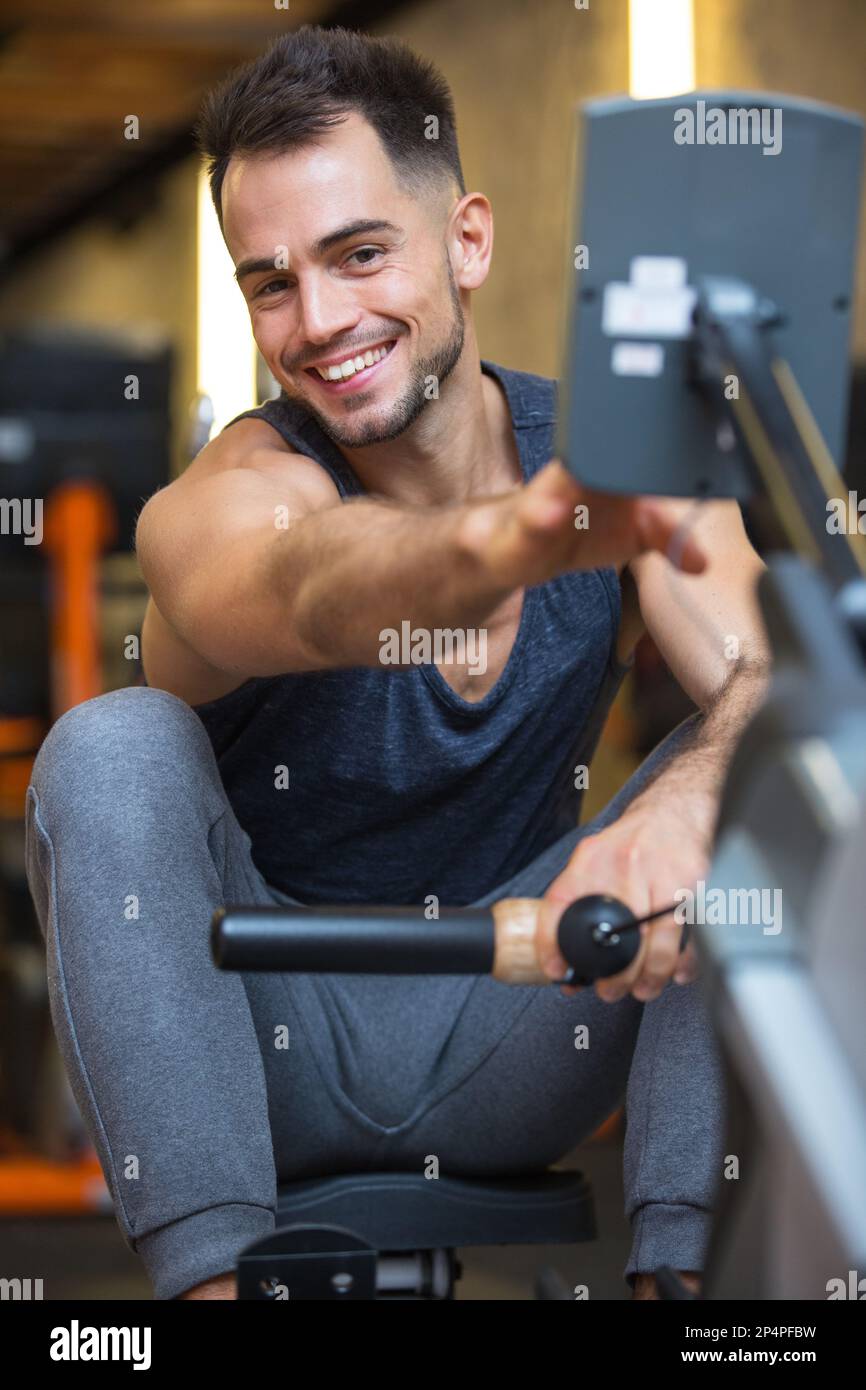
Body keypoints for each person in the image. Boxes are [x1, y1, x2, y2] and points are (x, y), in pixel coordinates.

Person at [25, 26, 770, 1301]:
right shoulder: (225, 497)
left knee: (770, 776)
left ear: (465, 240)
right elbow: (310, 590)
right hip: (255, 1049)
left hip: (518, 1019)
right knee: (109, 741)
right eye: (270, 283)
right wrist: (497, 542)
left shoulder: (620, 455)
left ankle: (681, 1303)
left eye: (359, 255)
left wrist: (694, 805)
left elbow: (773, 685)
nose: (318, 323)